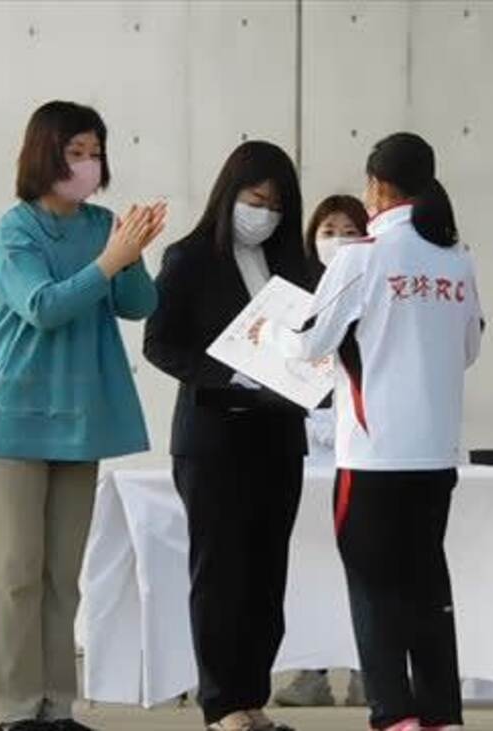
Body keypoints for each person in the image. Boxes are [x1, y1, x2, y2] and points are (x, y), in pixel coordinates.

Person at [255, 133, 483, 731]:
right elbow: (469, 349)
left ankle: (394, 714)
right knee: (428, 583)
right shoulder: (457, 257)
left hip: (374, 455)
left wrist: (267, 330)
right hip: (436, 453)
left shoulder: (362, 256)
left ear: (377, 186)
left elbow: (309, 341)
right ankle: (440, 714)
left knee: (374, 585)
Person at [0, 100, 164, 731]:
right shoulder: (14, 230)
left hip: (80, 418)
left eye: (94, 152)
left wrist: (131, 253)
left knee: (62, 577)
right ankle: (13, 707)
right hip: (13, 416)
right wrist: (109, 259)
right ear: (43, 155)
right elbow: (43, 306)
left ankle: (56, 705)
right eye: (74, 152)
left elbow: (138, 304)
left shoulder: (104, 225)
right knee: (17, 572)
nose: (87, 164)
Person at [143, 140, 310, 731]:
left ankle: (251, 695)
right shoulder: (190, 258)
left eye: (276, 205)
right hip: (214, 437)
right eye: (254, 199)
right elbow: (159, 343)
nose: (263, 214)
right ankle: (222, 703)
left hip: (278, 435)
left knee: (267, 571)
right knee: (221, 571)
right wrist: (229, 373)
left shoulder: (292, 263)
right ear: (229, 194)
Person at [273, 195, 369, 710]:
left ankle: (364, 667)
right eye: (328, 230)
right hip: (303, 440)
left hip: (362, 438)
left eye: (350, 230)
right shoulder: (292, 295)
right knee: (307, 559)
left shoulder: (376, 285)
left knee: (360, 557)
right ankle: (310, 670)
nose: (338, 240)